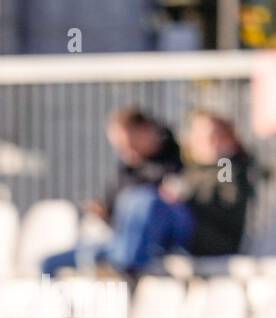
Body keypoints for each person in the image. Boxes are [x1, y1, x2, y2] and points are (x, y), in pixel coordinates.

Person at [42, 107, 190, 277]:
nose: (125, 151)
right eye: (120, 146)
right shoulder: (128, 168)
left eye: (129, 143)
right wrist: (104, 213)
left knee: (142, 200)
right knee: (48, 264)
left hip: (159, 247)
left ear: (146, 132)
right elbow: (116, 215)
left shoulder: (180, 157)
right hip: (119, 245)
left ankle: (123, 268)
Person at [161, 110, 256, 258]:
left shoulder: (226, 167)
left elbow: (228, 208)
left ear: (226, 139)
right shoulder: (191, 169)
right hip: (192, 238)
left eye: (213, 136)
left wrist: (184, 198)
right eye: (199, 136)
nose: (207, 142)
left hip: (216, 240)